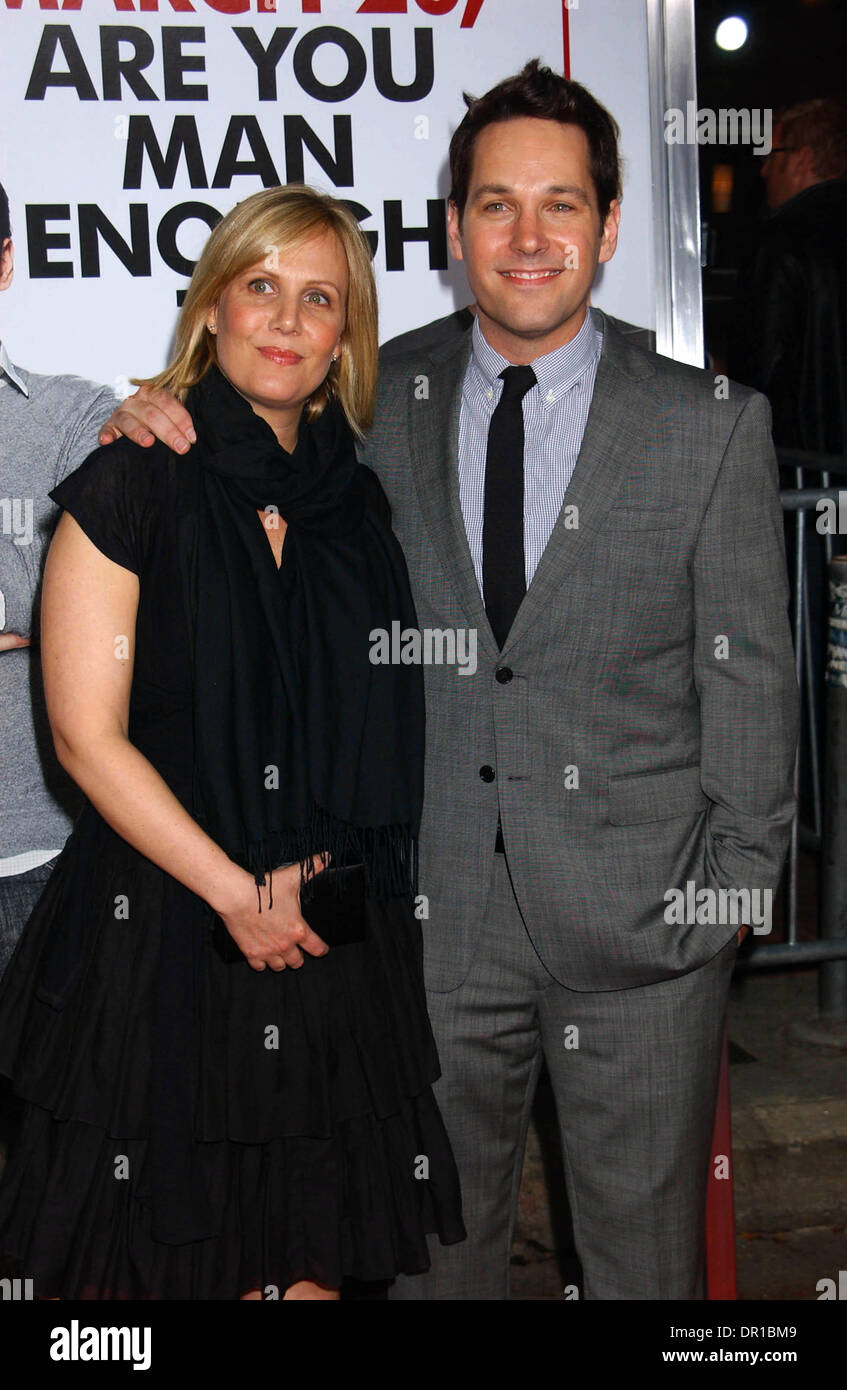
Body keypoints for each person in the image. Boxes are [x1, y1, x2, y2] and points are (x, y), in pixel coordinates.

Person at [102, 61, 798, 1300]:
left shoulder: (711, 422)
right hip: (429, 936)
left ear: (609, 225)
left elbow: (748, 673)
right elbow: (234, 430)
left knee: (647, 1270)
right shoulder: (372, 395)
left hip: (646, 933)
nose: (526, 237)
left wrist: (734, 888)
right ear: (454, 228)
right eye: (493, 204)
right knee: (428, 1263)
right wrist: (148, 411)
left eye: (560, 205)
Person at [0, 184, 464, 1300]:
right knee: (173, 1268)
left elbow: (377, 745)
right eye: (260, 286)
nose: (287, 319)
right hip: (161, 929)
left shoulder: (358, 505)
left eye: (320, 299)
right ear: (212, 306)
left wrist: (312, 899)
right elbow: (84, 734)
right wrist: (232, 893)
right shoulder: (131, 478)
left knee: (313, 1267)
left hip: (322, 934)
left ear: (346, 333)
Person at [0, 181, 117, 979]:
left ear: (5, 262)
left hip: (40, 859)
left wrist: (43, 628)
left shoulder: (73, 416)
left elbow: (130, 620)